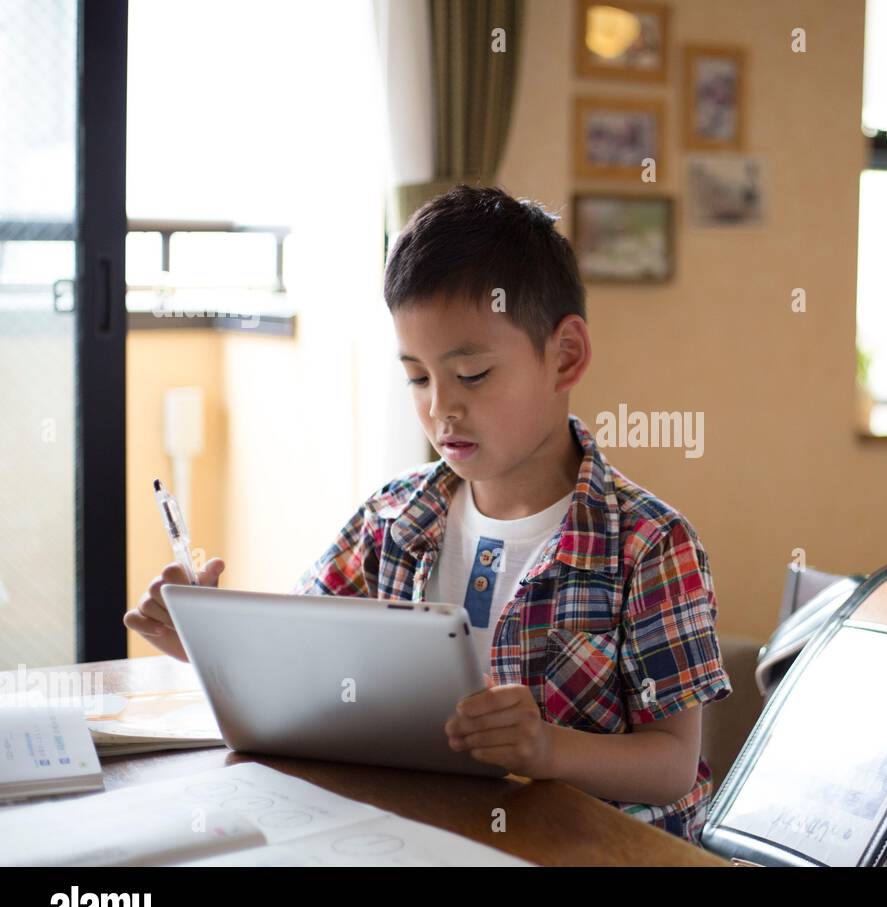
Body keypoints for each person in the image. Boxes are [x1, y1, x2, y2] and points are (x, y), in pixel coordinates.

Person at [124, 184, 733, 844]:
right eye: (418, 377)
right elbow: (304, 675)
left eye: (471, 374)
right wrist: (206, 643)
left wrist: (546, 750)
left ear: (566, 356)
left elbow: (672, 764)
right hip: (432, 838)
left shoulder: (647, 544)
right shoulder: (392, 520)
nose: (441, 408)